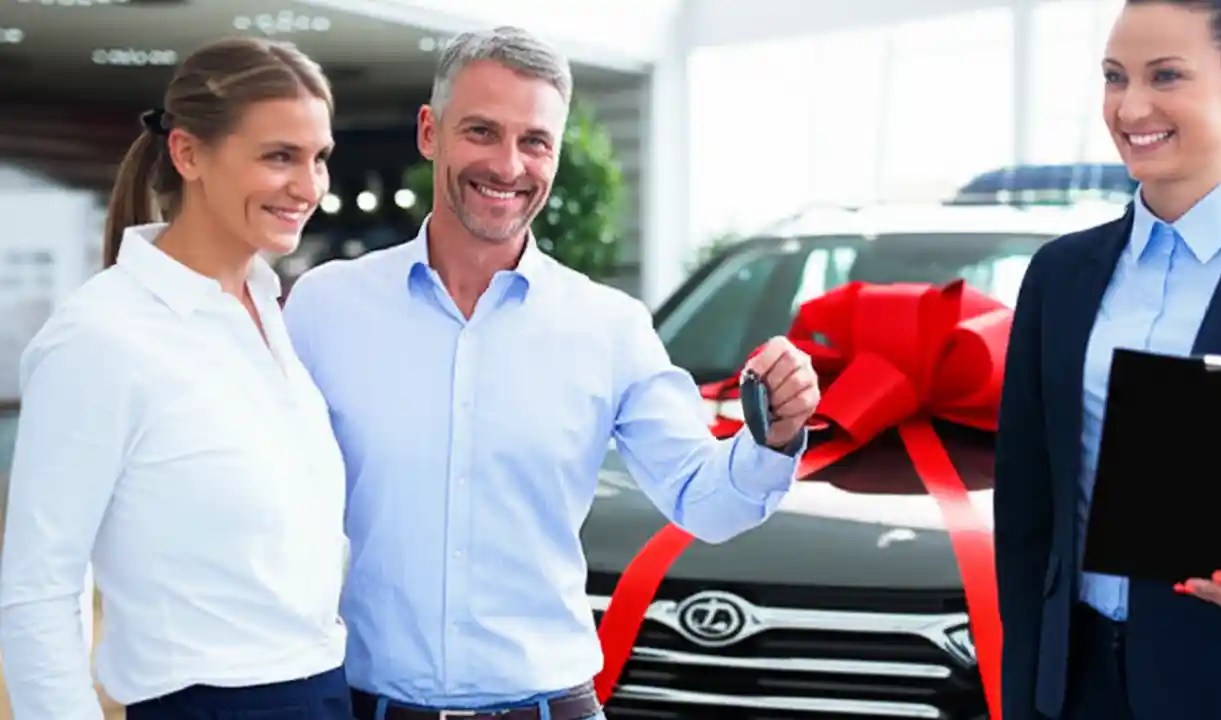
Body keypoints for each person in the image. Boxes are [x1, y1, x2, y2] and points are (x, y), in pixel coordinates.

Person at [282, 25, 820, 720]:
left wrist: (775, 436)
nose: (508, 166)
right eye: (482, 131)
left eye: (535, 141)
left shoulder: (608, 327)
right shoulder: (324, 309)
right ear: (430, 132)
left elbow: (705, 500)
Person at [0, 37, 352, 719]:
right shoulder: (101, 337)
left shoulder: (267, 311)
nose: (309, 187)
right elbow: (39, 590)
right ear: (188, 154)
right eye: (279, 156)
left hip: (320, 688)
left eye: (319, 158)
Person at [994, 0, 1221, 718]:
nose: (1131, 108)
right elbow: (1026, 519)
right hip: (1078, 684)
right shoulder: (1060, 276)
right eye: (1115, 77)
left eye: (1166, 76)